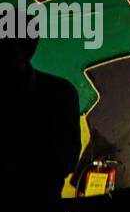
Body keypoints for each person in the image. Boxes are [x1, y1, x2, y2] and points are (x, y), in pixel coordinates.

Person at [0, 31, 81, 196]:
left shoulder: (61, 94)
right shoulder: (62, 93)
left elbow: (67, 159)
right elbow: (67, 158)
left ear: (20, 52)